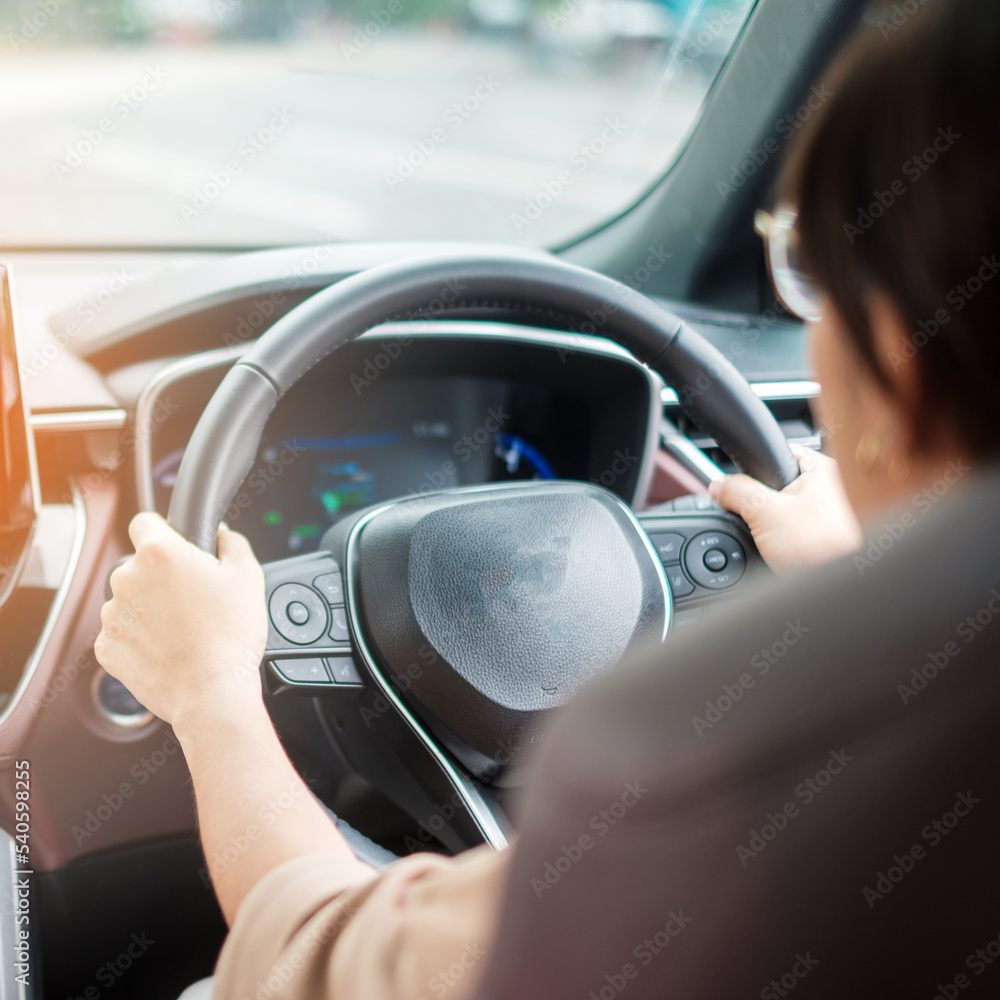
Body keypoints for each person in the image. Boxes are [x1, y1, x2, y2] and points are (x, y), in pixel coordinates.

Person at [95, 0, 1000, 997]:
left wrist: (212, 689)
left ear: (897, 360)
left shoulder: (676, 770)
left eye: (810, 277)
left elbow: (321, 954)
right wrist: (858, 578)